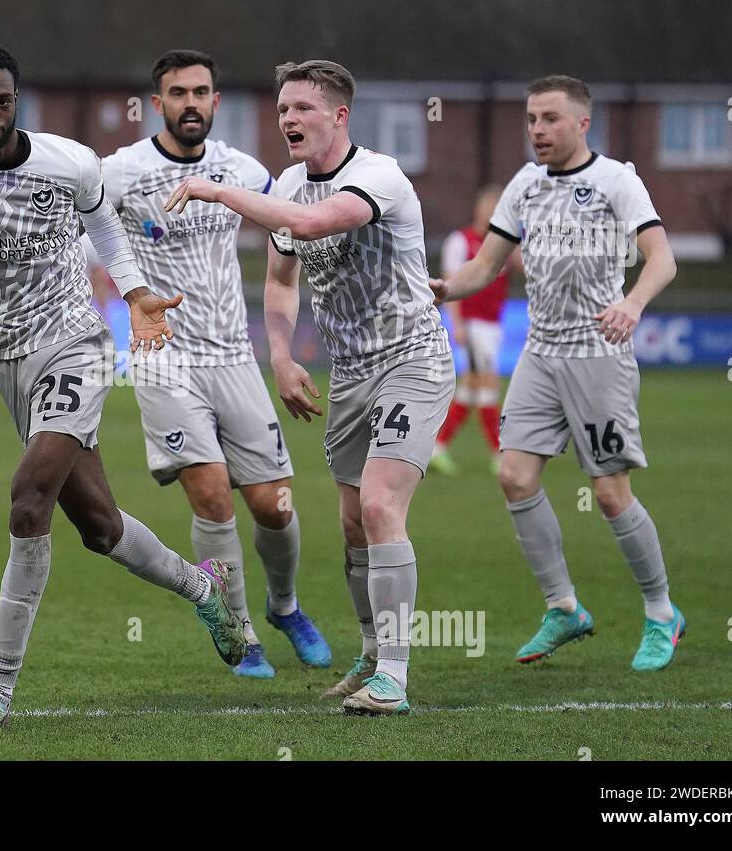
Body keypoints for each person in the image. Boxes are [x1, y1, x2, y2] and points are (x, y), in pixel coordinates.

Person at [0, 41, 248, 732]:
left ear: (17, 99)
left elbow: (104, 229)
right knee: (100, 527)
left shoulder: (71, 162)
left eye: (2, 100)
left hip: (76, 347)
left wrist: (137, 293)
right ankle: (203, 587)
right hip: (10, 359)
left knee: (28, 499)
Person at [165, 59, 453, 715]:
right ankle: (375, 652)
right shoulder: (291, 182)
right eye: (283, 110)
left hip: (413, 359)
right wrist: (283, 355)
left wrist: (219, 192)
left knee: (381, 507)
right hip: (349, 374)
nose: (289, 119)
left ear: (339, 116)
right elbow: (281, 280)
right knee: (354, 526)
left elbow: (319, 223)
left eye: (302, 108)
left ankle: (395, 679)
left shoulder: (377, 175)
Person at [431, 74, 683, 671]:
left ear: (582, 123)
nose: (537, 130)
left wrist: (632, 303)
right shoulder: (524, 184)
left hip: (598, 354)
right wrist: (440, 288)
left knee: (609, 492)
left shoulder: (617, 180)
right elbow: (485, 267)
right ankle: (564, 607)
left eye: (549, 119)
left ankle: (661, 613)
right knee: (515, 475)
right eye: (531, 120)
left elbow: (663, 258)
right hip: (540, 355)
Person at [100, 49, 329, 679]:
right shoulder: (121, 172)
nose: (191, 103)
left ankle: (283, 606)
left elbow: (294, 232)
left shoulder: (243, 171)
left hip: (234, 356)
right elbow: (78, 220)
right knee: (211, 498)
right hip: (162, 360)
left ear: (216, 101)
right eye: (178, 93)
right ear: (158, 104)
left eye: (201, 92)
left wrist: (283, 350)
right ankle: (241, 630)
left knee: (273, 504)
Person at [430, 186, 522, 476]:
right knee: (487, 385)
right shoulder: (460, 241)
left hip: (493, 324)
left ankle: (436, 448)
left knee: (470, 390)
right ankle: (499, 453)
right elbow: (449, 284)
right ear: (479, 210)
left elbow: (528, 266)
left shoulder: (503, 245)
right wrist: (455, 324)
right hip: (471, 325)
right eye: (491, 209)